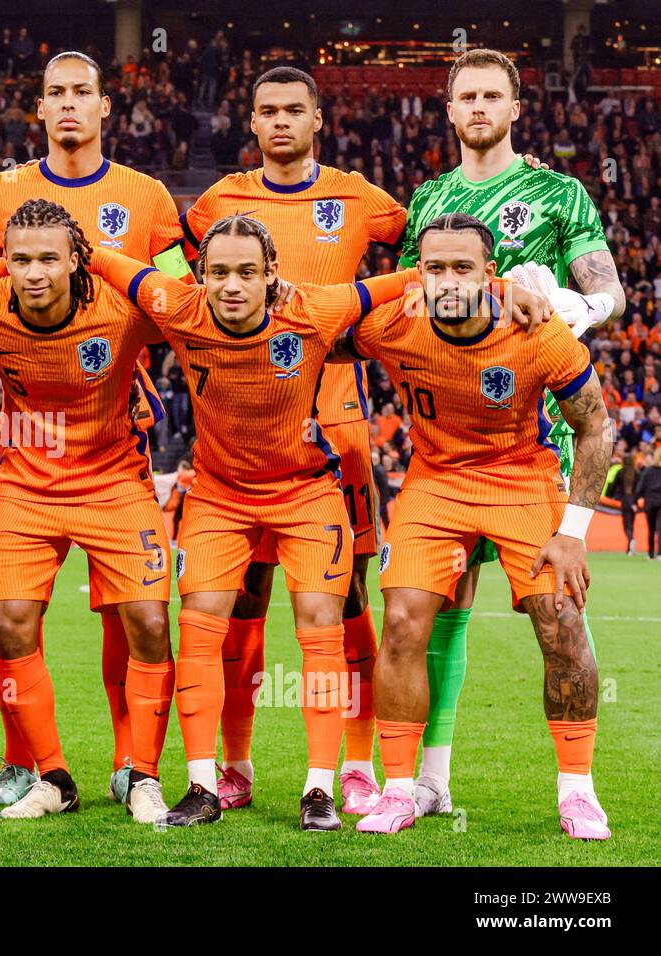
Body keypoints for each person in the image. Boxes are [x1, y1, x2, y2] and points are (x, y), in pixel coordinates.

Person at [332, 212, 612, 839]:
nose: (448, 281)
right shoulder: (394, 324)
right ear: (418, 273)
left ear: (492, 276)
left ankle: (578, 792)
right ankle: (402, 789)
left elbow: (596, 425)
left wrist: (573, 531)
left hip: (522, 481)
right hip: (435, 482)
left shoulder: (536, 329)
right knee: (402, 621)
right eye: (435, 268)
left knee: (562, 623)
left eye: (464, 268)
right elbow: (323, 333)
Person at [397, 48, 625, 817]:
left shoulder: (558, 192)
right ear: (450, 108)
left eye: (494, 94)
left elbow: (609, 291)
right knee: (438, 609)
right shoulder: (427, 200)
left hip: (537, 437)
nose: (479, 107)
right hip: (449, 440)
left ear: (518, 107)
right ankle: (431, 780)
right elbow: (403, 301)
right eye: (467, 96)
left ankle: (577, 791)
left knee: (556, 615)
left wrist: (567, 306)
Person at [180, 65, 407, 814]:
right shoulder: (219, 202)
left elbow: (433, 246)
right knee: (241, 606)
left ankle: (354, 763)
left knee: (343, 604)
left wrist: (356, 341)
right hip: (246, 433)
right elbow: (188, 284)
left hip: (336, 434)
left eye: (294, 111)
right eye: (267, 111)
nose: (280, 122)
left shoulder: (360, 196)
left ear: (318, 118)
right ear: (251, 122)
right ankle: (234, 765)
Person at [0, 50, 192, 807]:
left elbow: (173, 303)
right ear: (39, 108)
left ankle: (136, 768)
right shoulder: (0, 193)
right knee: (13, 617)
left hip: (111, 444)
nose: (68, 104)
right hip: (29, 456)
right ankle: (37, 766)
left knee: (132, 617)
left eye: (82, 93)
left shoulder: (148, 195)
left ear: (105, 108)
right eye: (54, 93)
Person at [0, 199, 175, 823]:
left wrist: (93, 256)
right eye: (19, 260)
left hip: (115, 482)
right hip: (27, 485)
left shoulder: (119, 307)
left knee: (150, 624)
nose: (34, 272)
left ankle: (144, 776)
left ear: (76, 260)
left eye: (50, 257)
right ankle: (52, 777)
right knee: (12, 621)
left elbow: (181, 290)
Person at [637, 448, 661, 559]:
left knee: (651, 529)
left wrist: (637, 499)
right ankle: (660, 554)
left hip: (650, 502)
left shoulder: (648, 471)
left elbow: (640, 488)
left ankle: (650, 553)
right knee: (660, 528)